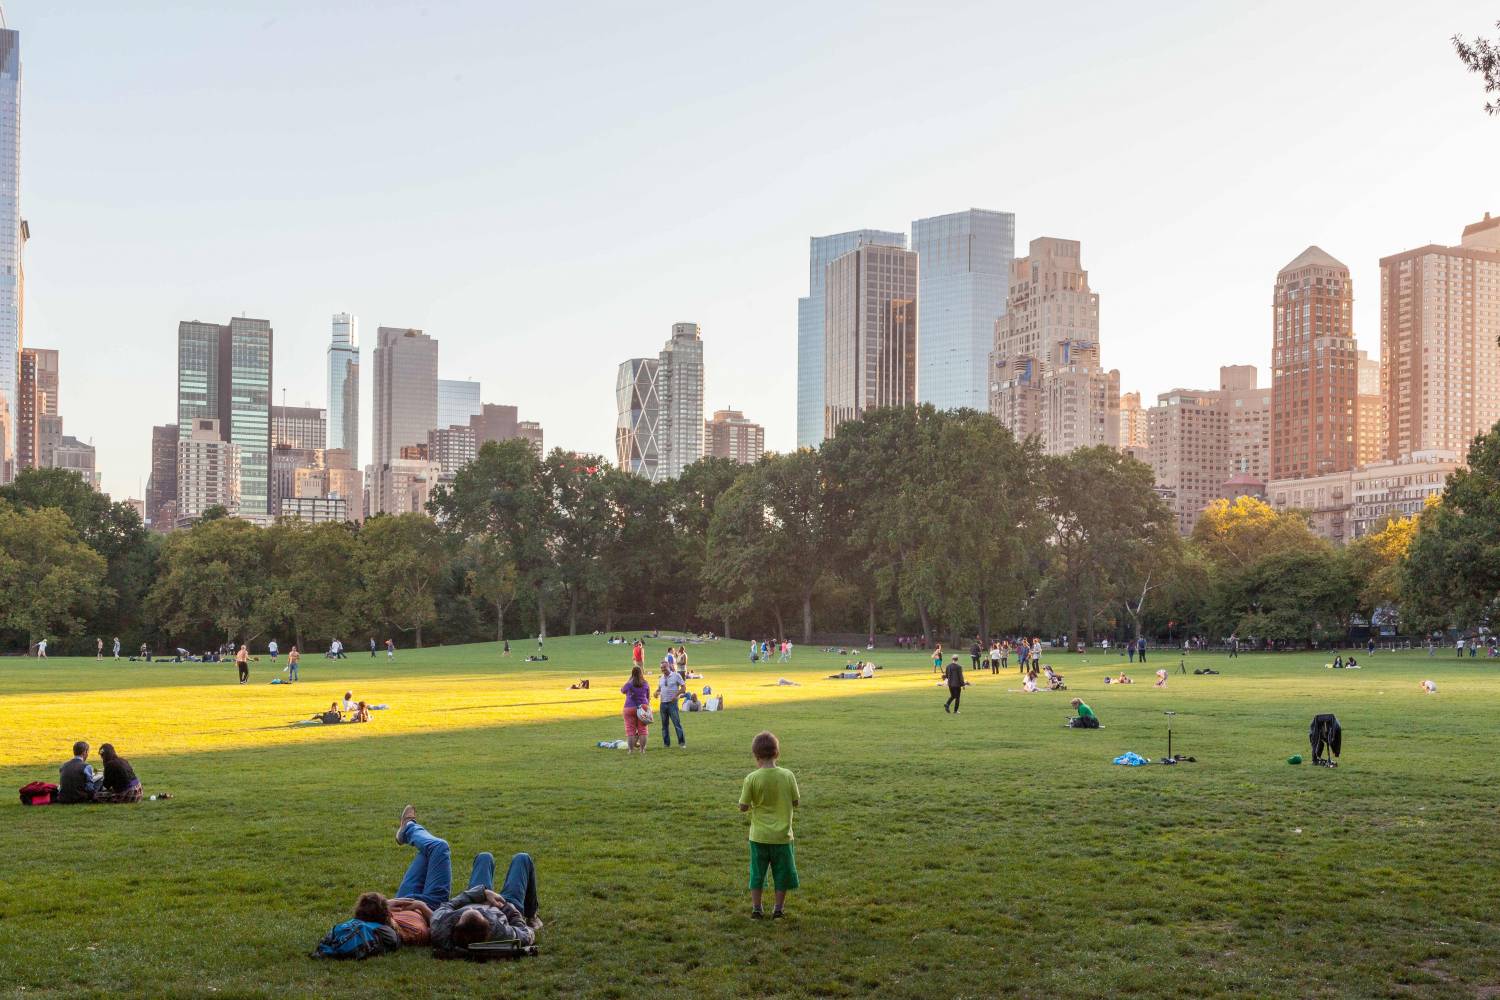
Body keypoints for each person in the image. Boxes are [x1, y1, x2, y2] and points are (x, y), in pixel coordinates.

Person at [739, 730, 800, 919]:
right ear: (777, 753)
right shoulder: (788, 775)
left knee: (757, 873)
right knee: (782, 874)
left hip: (759, 837)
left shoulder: (752, 778)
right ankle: (778, 909)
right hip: (782, 836)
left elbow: (743, 806)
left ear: (756, 756)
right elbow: (796, 802)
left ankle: (757, 909)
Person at [656, 656, 687, 748]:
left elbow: (684, 688)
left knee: (677, 724)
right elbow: (659, 689)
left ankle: (682, 743)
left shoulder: (676, 675)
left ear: (668, 666)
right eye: (661, 668)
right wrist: (656, 692)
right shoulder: (661, 678)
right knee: (664, 726)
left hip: (672, 704)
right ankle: (666, 744)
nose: (663, 669)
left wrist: (676, 695)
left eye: (664, 667)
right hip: (663, 704)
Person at [621, 665, 652, 753]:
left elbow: (622, 690)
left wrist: (629, 680)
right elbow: (648, 696)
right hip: (643, 707)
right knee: (643, 730)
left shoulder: (629, 684)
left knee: (630, 730)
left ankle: (630, 750)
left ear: (632, 674)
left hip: (629, 707)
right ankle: (642, 750)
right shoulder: (645, 683)